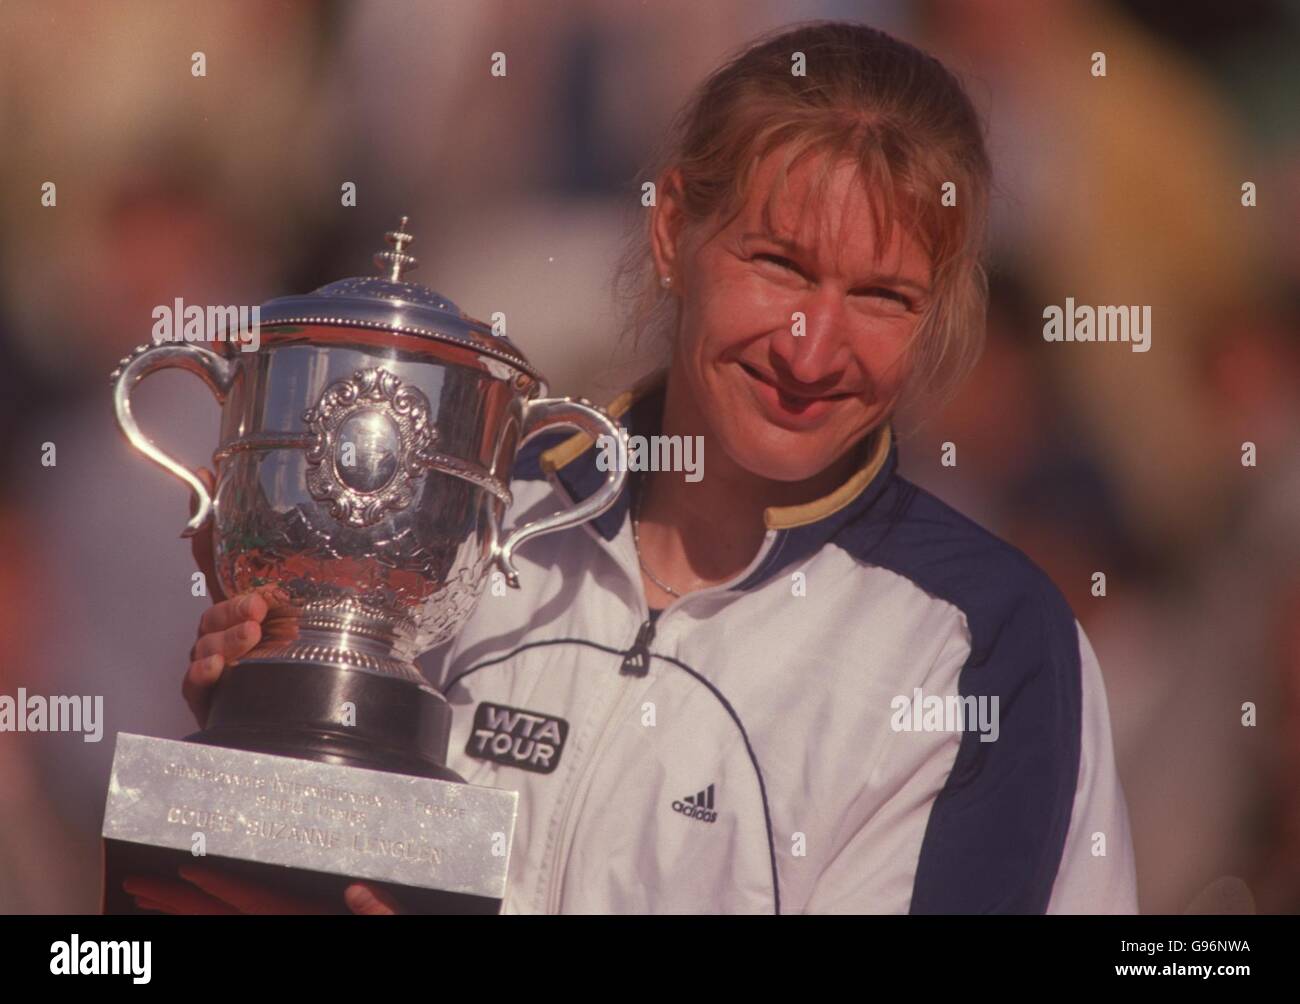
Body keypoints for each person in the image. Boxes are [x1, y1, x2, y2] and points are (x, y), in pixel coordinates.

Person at [129, 20, 1137, 914]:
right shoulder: (465, 517)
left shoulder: (981, 647)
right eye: (777, 263)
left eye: (880, 295)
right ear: (670, 231)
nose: (811, 347)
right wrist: (263, 734)